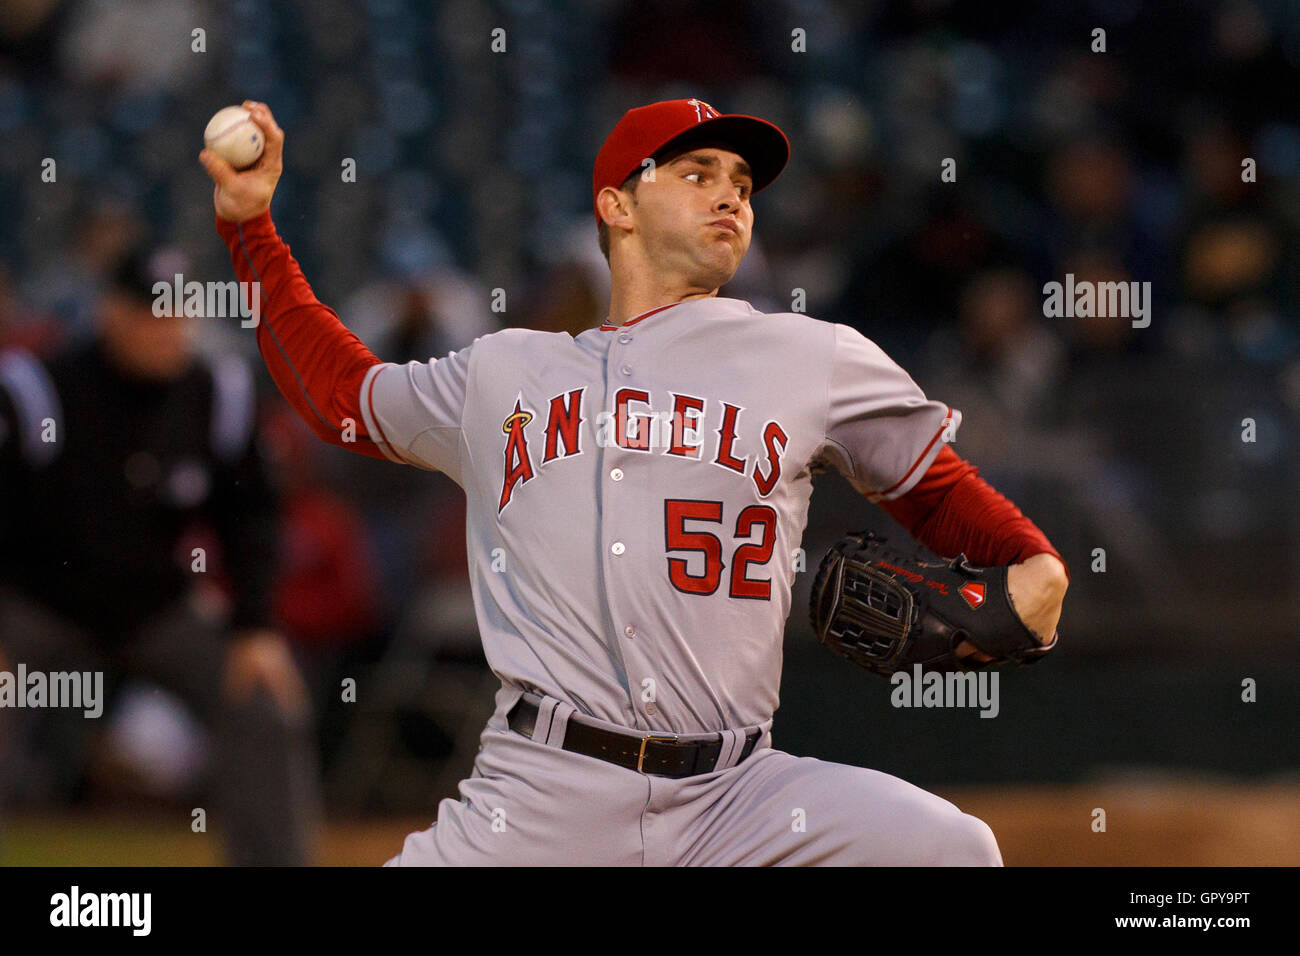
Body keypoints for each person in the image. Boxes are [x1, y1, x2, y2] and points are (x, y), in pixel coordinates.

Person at [200, 98, 1068, 866]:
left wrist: (1031, 563)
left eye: (741, 183)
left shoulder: (814, 357)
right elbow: (341, 394)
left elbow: (934, 488)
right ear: (616, 205)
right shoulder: (502, 373)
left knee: (951, 851)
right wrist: (251, 230)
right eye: (697, 173)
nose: (731, 193)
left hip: (741, 799)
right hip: (543, 795)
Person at [0, 244, 318, 865]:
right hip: (37, 604)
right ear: (109, 313)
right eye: (148, 312)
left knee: (262, 699)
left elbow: (251, 515)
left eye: (176, 313)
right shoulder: (38, 389)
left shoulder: (215, 394)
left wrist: (255, 626)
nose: (163, 329)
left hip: (156, 606)